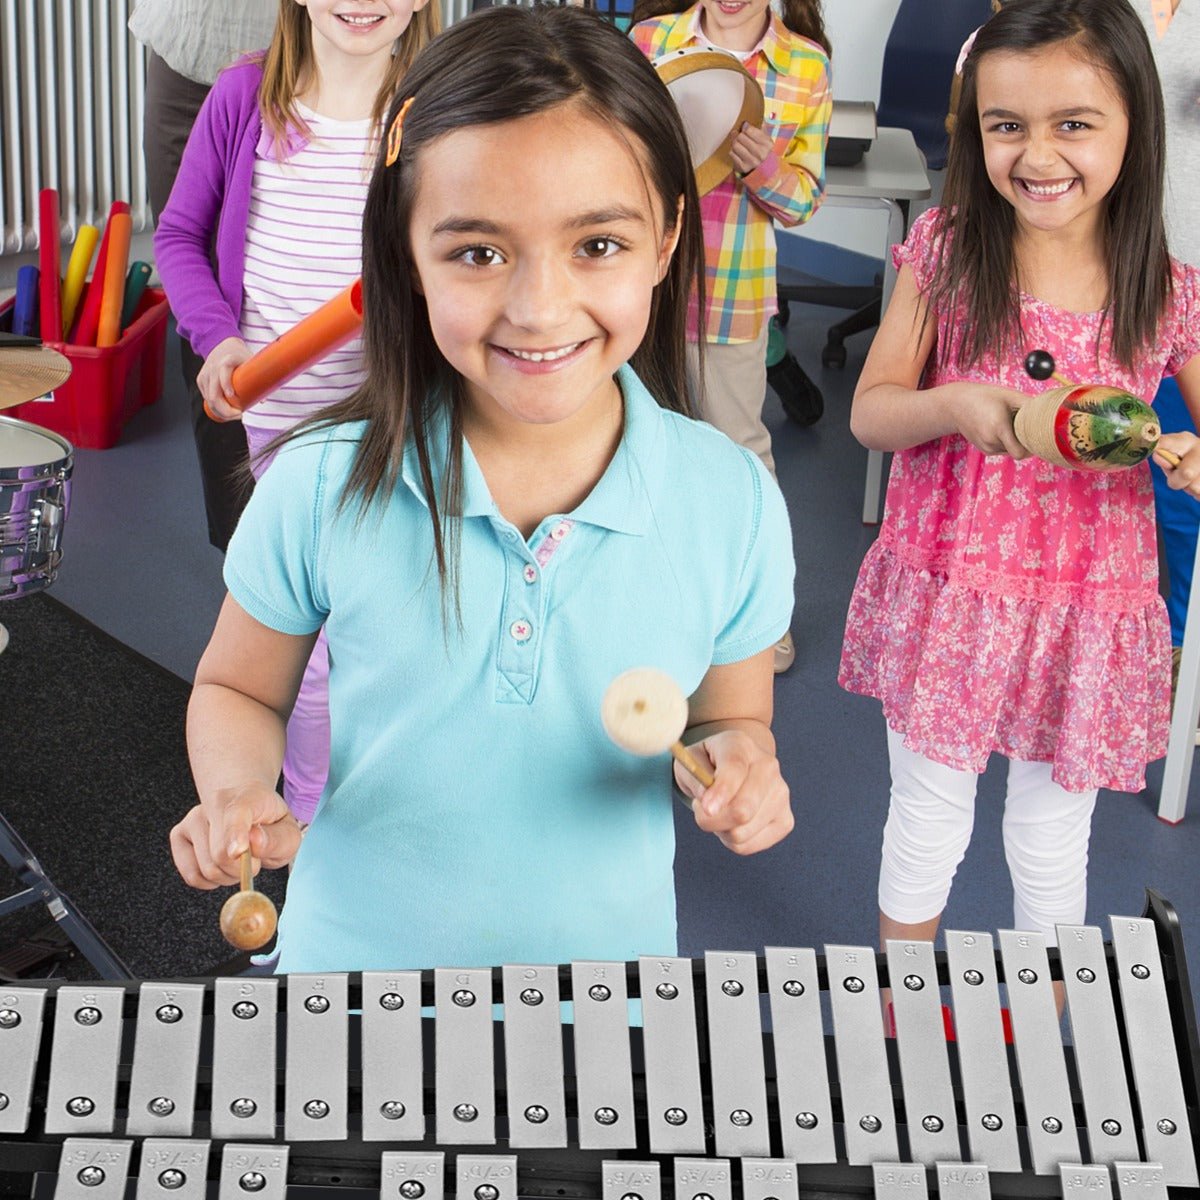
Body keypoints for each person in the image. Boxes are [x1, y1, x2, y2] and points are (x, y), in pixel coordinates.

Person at [168, 4, 797, 975]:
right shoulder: (316, 481)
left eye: (597, 245)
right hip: (345, 981)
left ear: (668, 240)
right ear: (407, 259)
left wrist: (742, 761)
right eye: (476, 251)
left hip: (605, 1001)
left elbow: (731, 714)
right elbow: (236, 688)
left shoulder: (733, 503)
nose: (538, 309)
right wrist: (236, 788)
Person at [838, 0, 1200, 961]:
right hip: (953, 592)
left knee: (1049, 846)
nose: (1038, 156)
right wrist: (955, 405)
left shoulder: (1163, 289)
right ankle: (900, 1009)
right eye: (1007, 126)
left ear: (1135, 127)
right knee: (927, 818)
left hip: (1085, 611)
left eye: (1074, 124)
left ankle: (1035, 1026)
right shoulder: (952, 254)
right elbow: (871, 412)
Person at [154, 0, 440, 827]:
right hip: (279, 427)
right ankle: (315, 832)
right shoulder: (243, 95)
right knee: (306, 650)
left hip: (399, 419)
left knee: (393, 631)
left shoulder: (432, 115)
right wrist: (217, 338)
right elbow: (178, 235)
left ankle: (405, 818)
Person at [629, 0, 831, 673]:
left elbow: (801, 202)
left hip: (731, 296)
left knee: (741, 458)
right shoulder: (650, 41)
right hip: (641, 291)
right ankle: (643, 607)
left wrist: (764, 167)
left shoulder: (803, 65)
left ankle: (762, 614)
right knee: (634, 451)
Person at [129, 1, 278, 551]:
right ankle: (241, 556)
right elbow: (180, 242)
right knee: (211, 321)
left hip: (323, 49)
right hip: (190, 49)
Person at [1134, 0, 1200, 696]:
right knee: (1111, 446)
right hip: (1115, 273)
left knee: (1183, 480)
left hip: (1195, 269)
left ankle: (1180, 645)